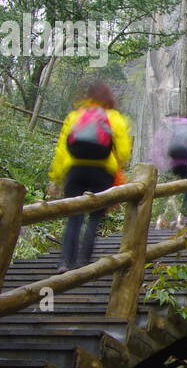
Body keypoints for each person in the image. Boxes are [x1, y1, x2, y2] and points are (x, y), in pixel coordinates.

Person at [48, 81, 131, 270]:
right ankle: (84, 262)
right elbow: (124, 152)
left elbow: (62, 149)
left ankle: (64, 262)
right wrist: (119, 165)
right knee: (94, 218)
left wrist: (55, 177)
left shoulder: (76, 116)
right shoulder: (114, 117)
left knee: (74, 218)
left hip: (75, 169)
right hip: (102, 172)